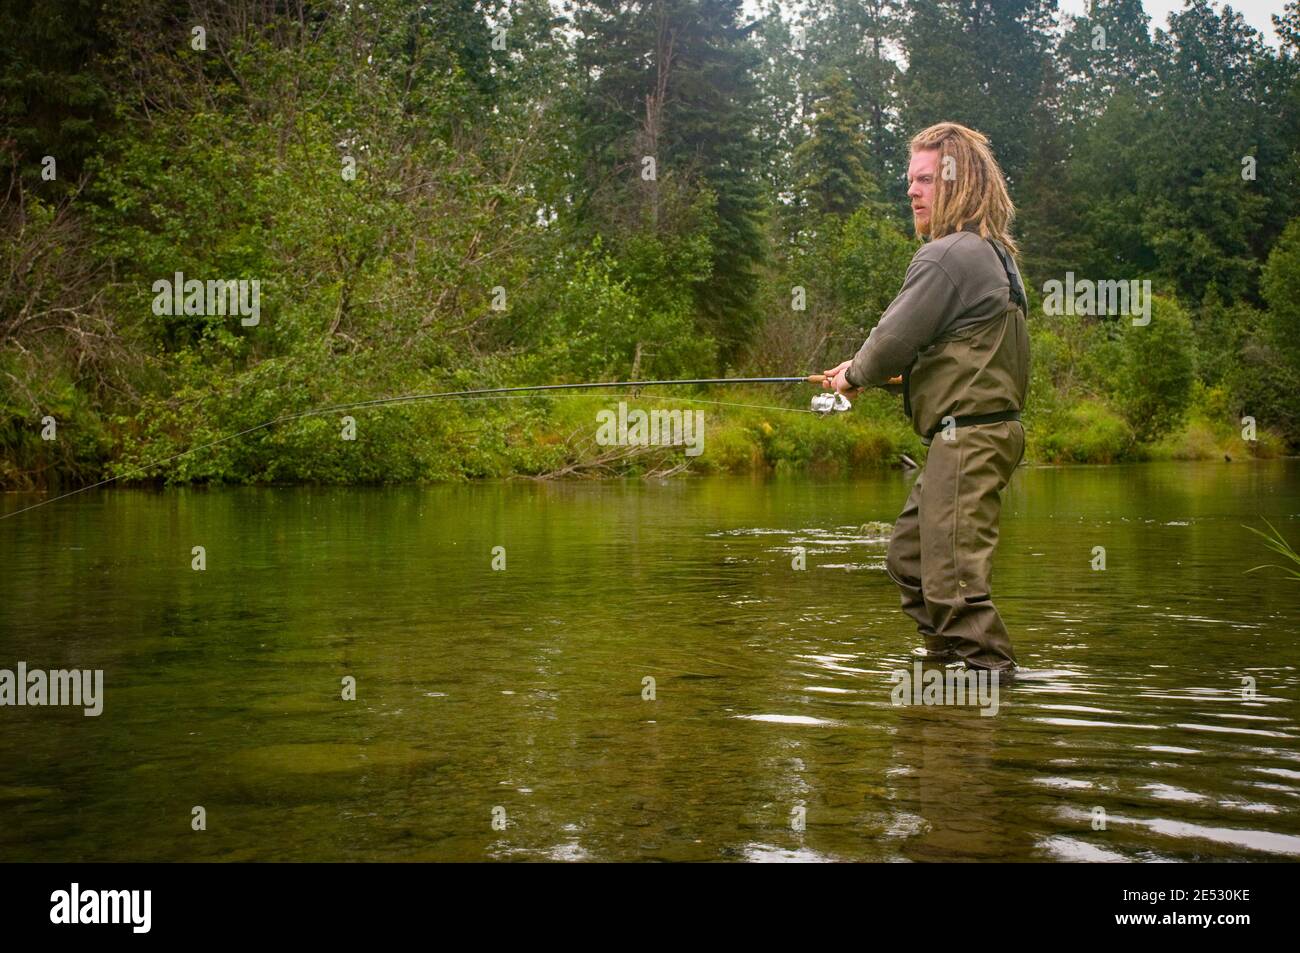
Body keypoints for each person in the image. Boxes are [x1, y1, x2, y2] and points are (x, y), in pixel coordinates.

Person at [822, 122, 1030, 673]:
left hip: (970, 437)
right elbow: (964, 353)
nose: (911, 192)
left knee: (952, 582)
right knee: (912, 561)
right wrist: (894, 378)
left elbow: (892, 340)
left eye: (925, 180)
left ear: (961, 184)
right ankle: (946, 674)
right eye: (910, 181)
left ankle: (989, 695)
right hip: (977, 432)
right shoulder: (991, 255)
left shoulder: (949, 254)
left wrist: (855, 375)